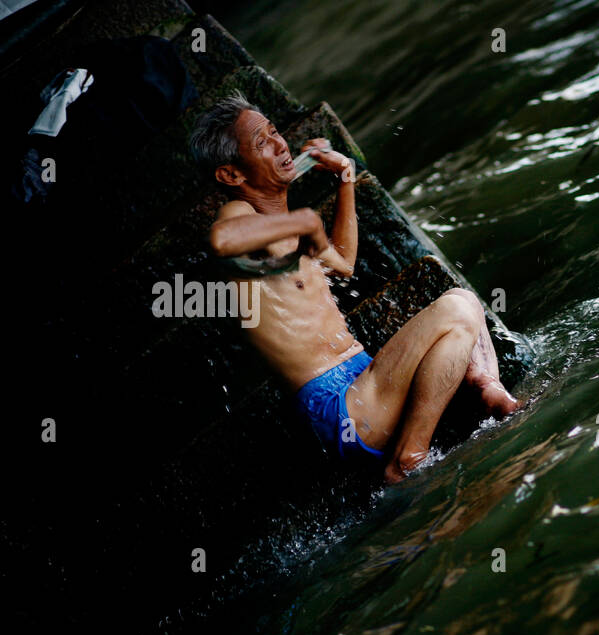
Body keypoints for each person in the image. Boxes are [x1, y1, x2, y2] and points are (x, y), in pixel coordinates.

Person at [188, 92, 518, 484]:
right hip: (340, 407)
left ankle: (486, 384)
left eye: (275, 132)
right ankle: (407, 460)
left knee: (460, 301)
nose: (280, 144)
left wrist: (345, 177)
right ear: (231, 175)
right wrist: (307, 222)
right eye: (262, 142)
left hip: (366, 382)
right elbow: (221, 240)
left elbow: (342, 263)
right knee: (458, 308)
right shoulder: (240, 214)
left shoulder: (282, 223)